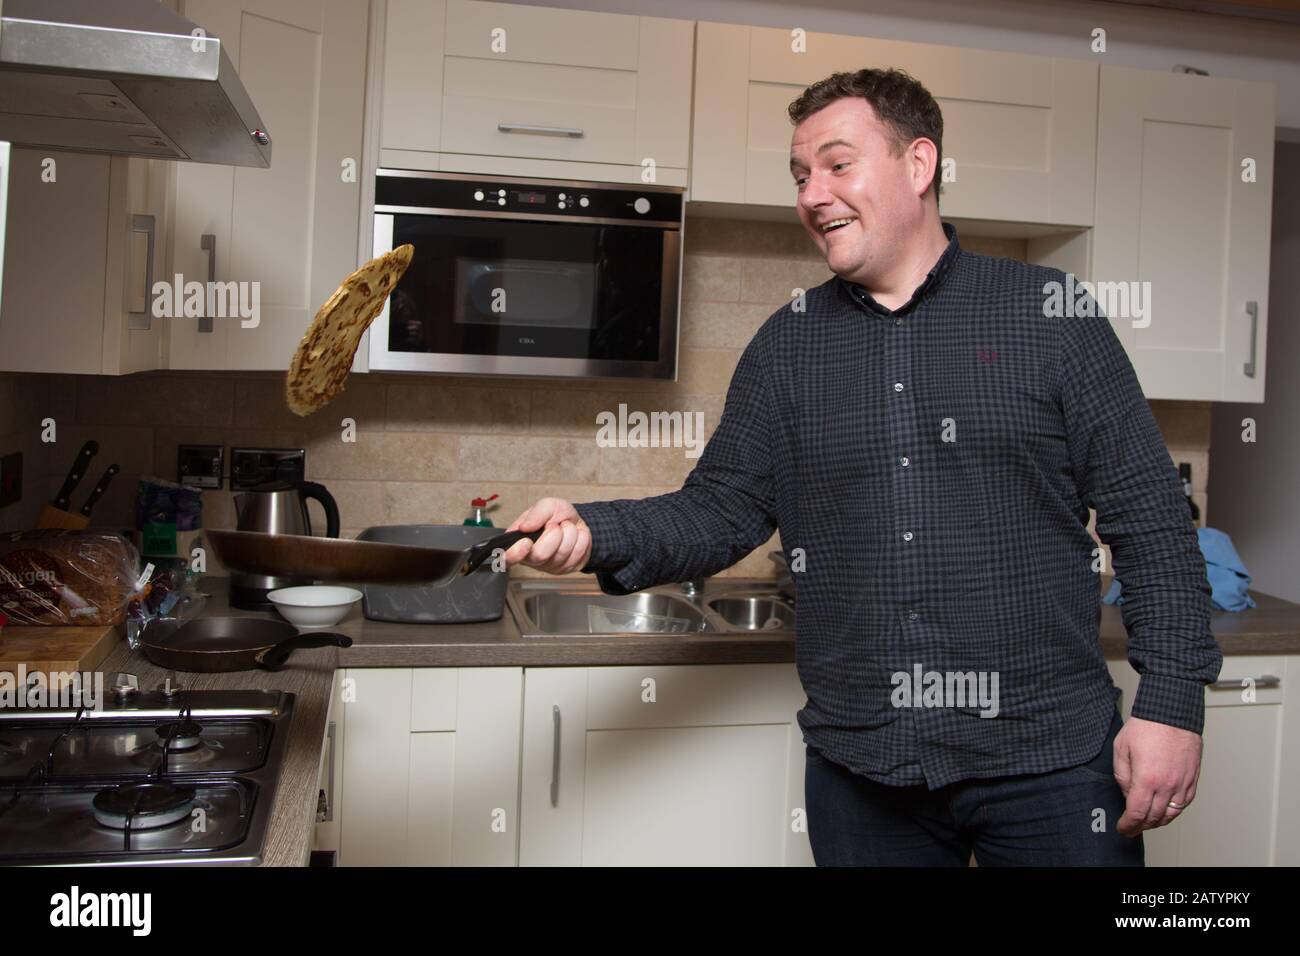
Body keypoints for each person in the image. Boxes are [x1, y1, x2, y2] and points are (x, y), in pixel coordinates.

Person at [501, 68, 1222, 866]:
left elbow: (1150, 521)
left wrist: (1172, 701)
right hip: (864, 771)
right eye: (801, 174)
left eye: (838, 165)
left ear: (918, 165)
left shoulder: (1052, 317)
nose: (813, 194)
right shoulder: (788, 345)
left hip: (1048, 763)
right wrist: (592, 529)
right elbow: (720, 509)